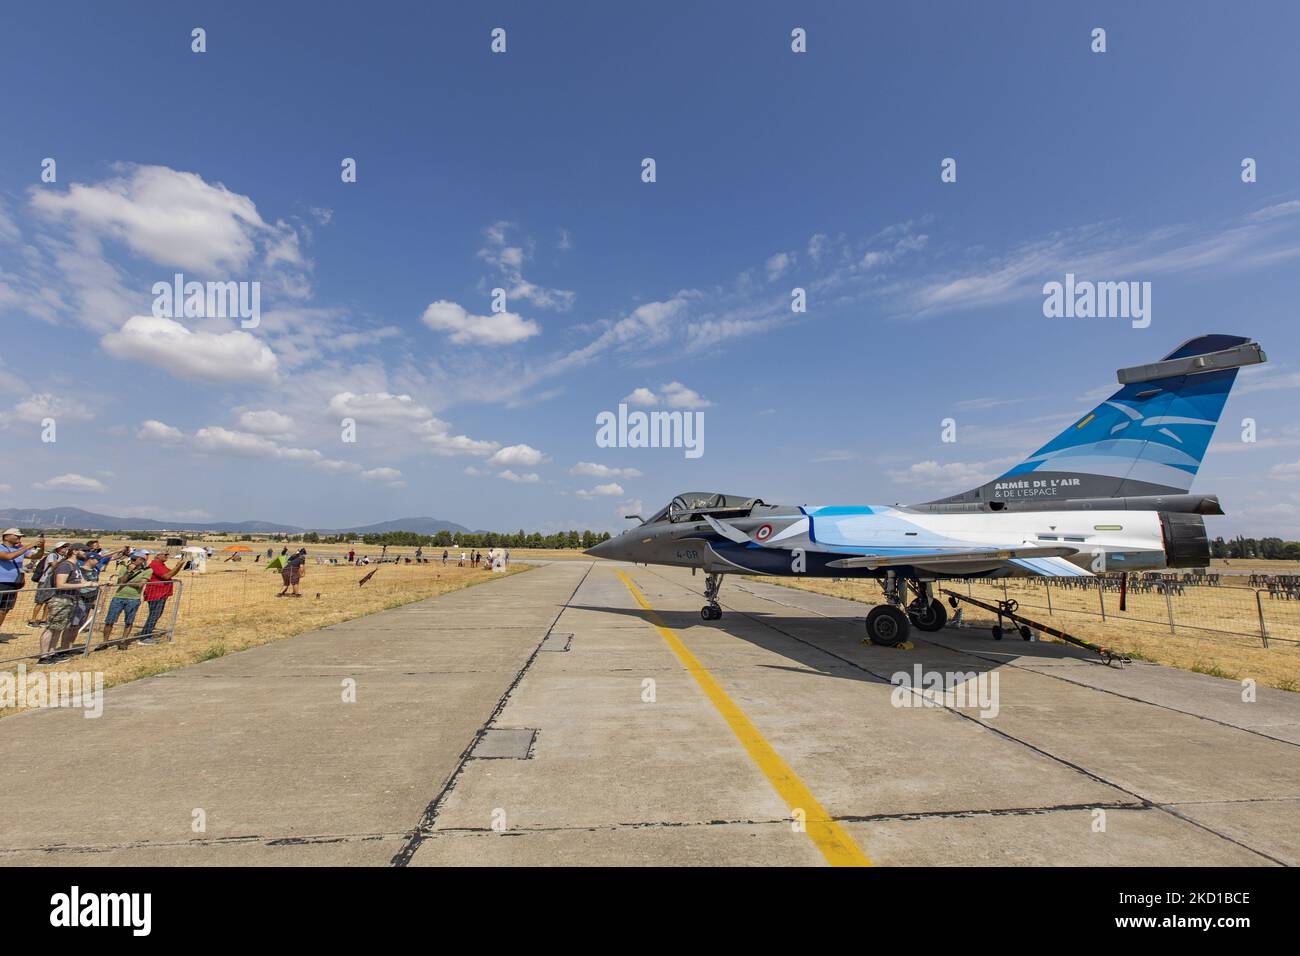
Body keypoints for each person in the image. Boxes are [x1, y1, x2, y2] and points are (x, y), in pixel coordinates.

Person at [37, 544, 89, 663]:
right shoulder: (65, 565)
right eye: (84, 550)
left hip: (69, 600)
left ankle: (52, 653)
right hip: (60, 600)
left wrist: (92, 584)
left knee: (58, 629)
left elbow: (80, 580)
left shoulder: (74, 565)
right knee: (51, 629)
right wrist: (83, 585)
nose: (87, 553)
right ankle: (43, 657)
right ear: (75, 551)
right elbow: (60, 585)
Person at [0, 529, 45, 638]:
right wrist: (28, 546)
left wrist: (42, 546)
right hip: (1, 582)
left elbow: (36, 556)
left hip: (14, 584)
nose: (19, 538)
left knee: (4, 609)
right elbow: (8, 557)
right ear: (6, 537)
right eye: (17, 536)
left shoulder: (19, 549)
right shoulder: (1, 548)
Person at [102, 551, 151, 648]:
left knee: (129, 621)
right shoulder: (125, 567)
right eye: (131, 559)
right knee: (109, 621)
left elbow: (140, 585)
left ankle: (123, 641)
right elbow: (120, 582)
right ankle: (105, 642)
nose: (131, 561)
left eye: (134, 559)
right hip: (119, 597)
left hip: (133, 598)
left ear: (141, 560)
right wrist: (128, 571)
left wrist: (127, 582)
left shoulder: (147, 570)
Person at [140, 550, 185, 644]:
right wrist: (179, 566)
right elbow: (166, 576)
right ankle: (145, 636)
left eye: (167, 554)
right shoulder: (155, 565)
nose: (167, 556)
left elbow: (171, 573)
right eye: (165, 554)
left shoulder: (161, 565)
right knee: (154, 615)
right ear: (157, 555)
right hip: (155, 593)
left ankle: (147, 634)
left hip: (161, 593)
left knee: (156, 615)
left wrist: (178, 566)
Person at [27, 541, 70, 628]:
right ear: (58, 548)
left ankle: (44, 620)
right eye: (64, 547)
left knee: (48, 601)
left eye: (66, 547)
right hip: (45, 581)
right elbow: (54, 565)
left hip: (52, 581)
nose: (65, 549)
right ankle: (32, 620)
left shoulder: (62, 557)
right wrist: (64, 560)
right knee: (40, 601)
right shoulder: (52, 555)